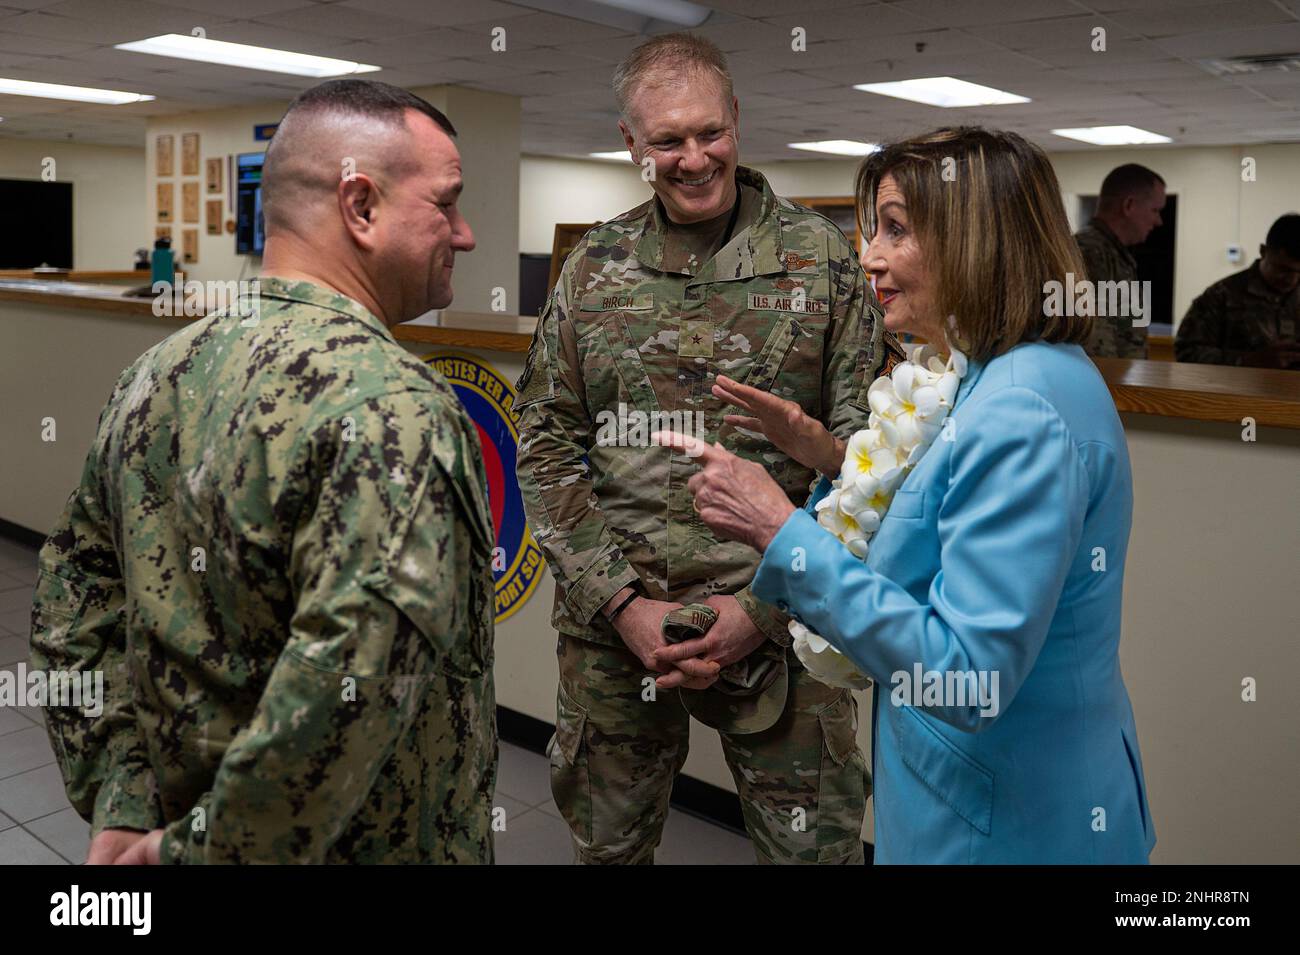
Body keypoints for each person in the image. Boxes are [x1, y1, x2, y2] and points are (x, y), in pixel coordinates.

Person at [29, 79, 497, 864]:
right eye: (446, 203)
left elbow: (70, 606)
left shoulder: (155, 372)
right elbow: (348, 694)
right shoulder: (395, 406)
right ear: (362, 205)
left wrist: (126, 802)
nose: (467, 232)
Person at [659, 127, 1157, 864]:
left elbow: (969, 676)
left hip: (1009, 825)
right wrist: (824, 451)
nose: (870, 256)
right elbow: (939, 520)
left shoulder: (1020, 409)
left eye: (896, 229)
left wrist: (779, 529)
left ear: (973, 241)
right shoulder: (1000, 374)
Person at [514, 33, 888, 864]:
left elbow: (866, 465)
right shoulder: (592, 266)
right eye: (667, 141)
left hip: (787, 630)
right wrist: (621, 602)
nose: (693, 158)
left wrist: (760, 610)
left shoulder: (821, 261)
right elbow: (541, 442)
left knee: (812, 854)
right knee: (608, 850)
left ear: (738, 121)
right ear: (631, 146)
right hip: (618, 630)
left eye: (709, 132)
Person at [1175, 213, 1300, 368]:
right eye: (1283, 269)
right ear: (1263, 251)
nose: (1292, 279)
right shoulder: (1222, 296)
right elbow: (1187, 353)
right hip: (1240, 390)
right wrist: (1247, 360)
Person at [1075, 163, 1166, 359]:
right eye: (1155, 210)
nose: (1159, 221)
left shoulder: (1113, 253)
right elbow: (1095, 343)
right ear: (1129, 206)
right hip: (1105, 384)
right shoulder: (1088, 252)